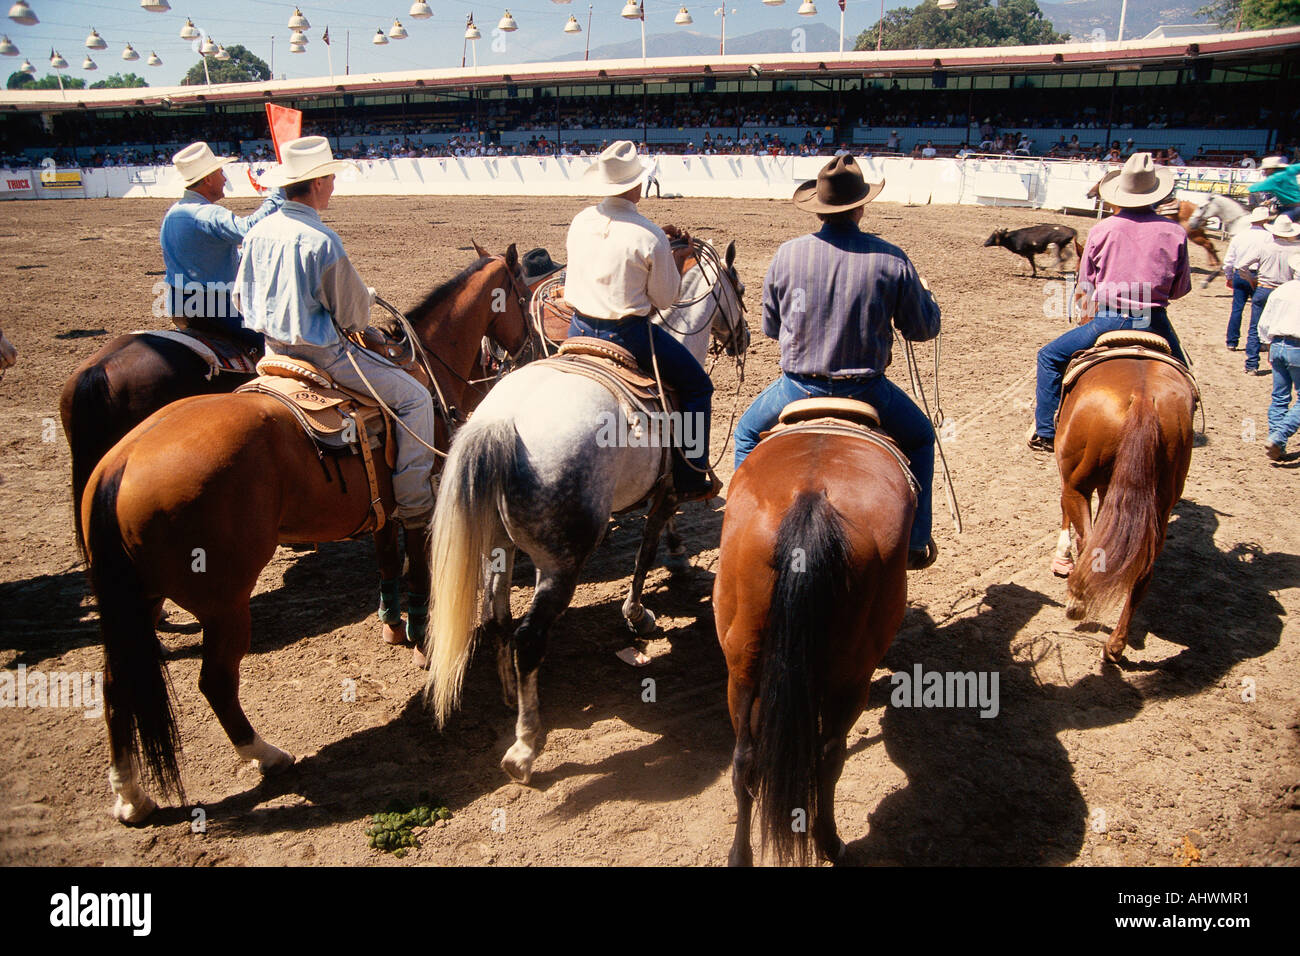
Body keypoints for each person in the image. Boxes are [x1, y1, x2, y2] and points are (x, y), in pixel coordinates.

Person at [732, 154, 942, 570]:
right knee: (920, 437)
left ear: (819, 207)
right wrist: (926, 299)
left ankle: (737, 529)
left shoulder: (786, 254)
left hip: (796, 387)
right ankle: (916, 539)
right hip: (866, 389)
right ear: (861, 206)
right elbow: (921, 330)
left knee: (744, 434)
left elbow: (771, 328)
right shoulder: (892, 258)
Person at [232, 135, 437, 530]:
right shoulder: (322, 241)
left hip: (272, 353)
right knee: (415, 399)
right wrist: (367, 297)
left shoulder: (257, 232)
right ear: (319, 182)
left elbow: (241, 298)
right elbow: (354, 317)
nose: (333, 185)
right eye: (331, 177)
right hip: (325, 356)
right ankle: (414, 502)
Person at [564, 140, 718, 501]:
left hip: (578, 329)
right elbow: (666, 299)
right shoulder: (649, 234)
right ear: (636, 185)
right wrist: (671, 254)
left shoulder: (581, 220)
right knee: (698, 389)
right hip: (627, 336)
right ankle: (691, 476)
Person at [1029, 153, 1190, 452]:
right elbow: (1180, 288)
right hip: (1154, 321)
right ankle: (1184, 430)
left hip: (1109, 319)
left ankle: (1046, 431)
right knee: (1184, 375)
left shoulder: (1102, 230)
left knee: (1049, 357)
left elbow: (1085, 284)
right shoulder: (1176, 232)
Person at [161, 141, 283, 350]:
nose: (225, 178)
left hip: (178, 304)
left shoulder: (173, 213)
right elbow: (249, 229)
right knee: (274, 343)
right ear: (208, 179)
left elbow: (201, 253)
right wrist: (278, 194)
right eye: (220, 172)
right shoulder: (209, 214)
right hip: (213, 307)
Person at [1235, 213, 1300, 374]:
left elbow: (1241, 265)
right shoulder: (1296, 249)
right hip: (1286, 291)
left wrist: (1251, 280)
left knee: (1255, 326)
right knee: (1281, 326)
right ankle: (1278, 359)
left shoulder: (1265, 246)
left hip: (1264, 287)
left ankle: (1251, 363)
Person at [1258, 252, 1300, 460]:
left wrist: (1267, 342)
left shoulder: (1282, 290)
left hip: (1277, 344)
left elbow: (1265, 321)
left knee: (1279, 396)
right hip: (1298, 347)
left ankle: (1276, 440)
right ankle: (1279, 435)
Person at [1223, 206, 1274, 352]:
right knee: (1258, 310)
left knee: (1237, 308)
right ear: (1265, 220)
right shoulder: (1269, 237)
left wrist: (1229, 276)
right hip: (1259, 276)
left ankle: (1232, 341)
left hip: (1240, 273)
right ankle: (1256, 342)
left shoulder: (1239, 236)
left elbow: (1229, 260)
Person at [1249, 155, 1300, 219]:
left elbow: (1253, 188)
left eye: (1266, 169)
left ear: (1272, 169)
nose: (1264, 171)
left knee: (1280, 222)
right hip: (1292, 207)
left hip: (1292, 208)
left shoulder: (1273, 179)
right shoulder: (1289, 169)